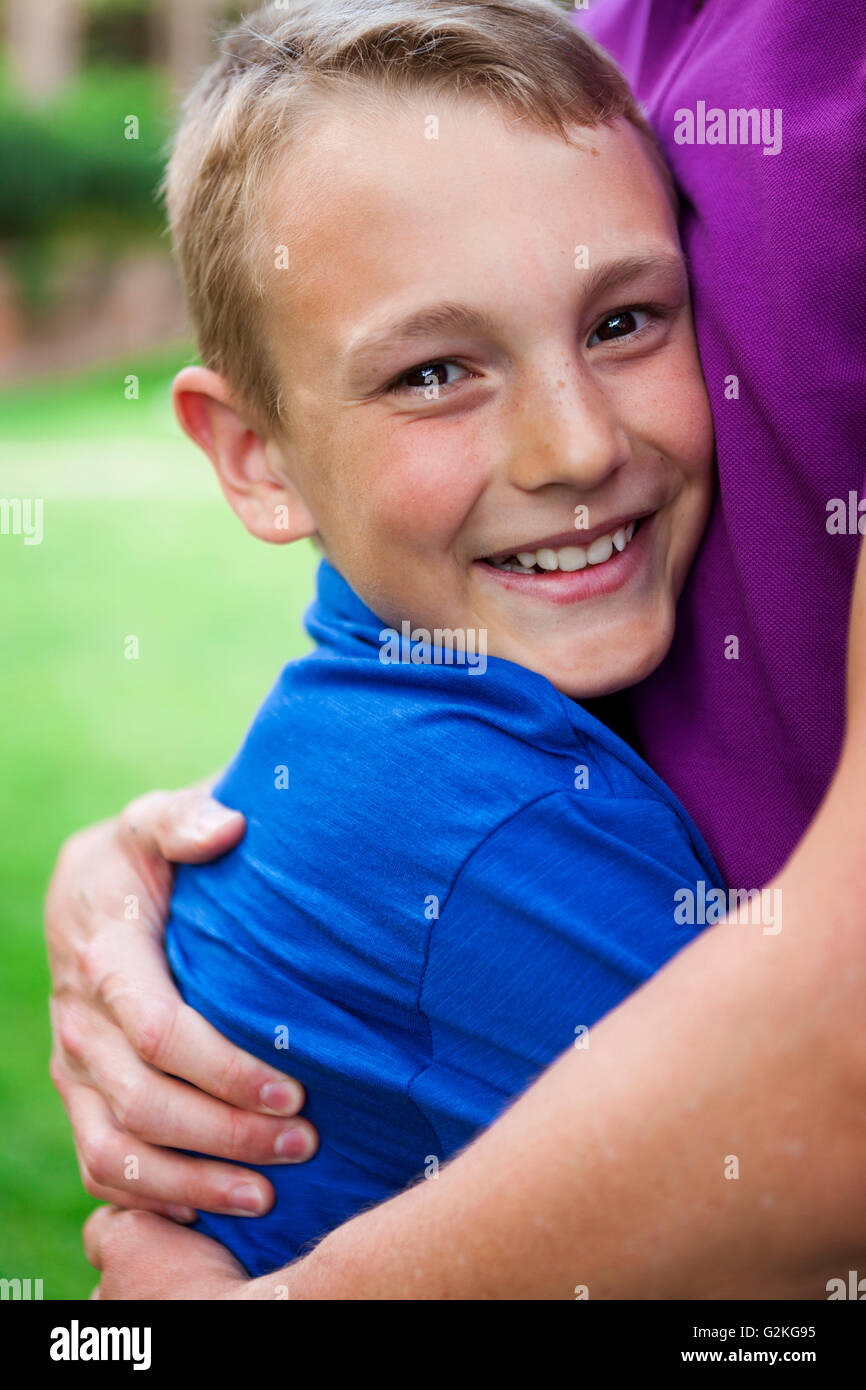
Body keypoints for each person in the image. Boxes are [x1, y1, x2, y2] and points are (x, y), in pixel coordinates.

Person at [51, 0, 866, 1298]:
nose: (576, 447)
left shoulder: (423, 755)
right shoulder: (489, 840)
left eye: (623, 323)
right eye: (434, 372)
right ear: (256, 458)